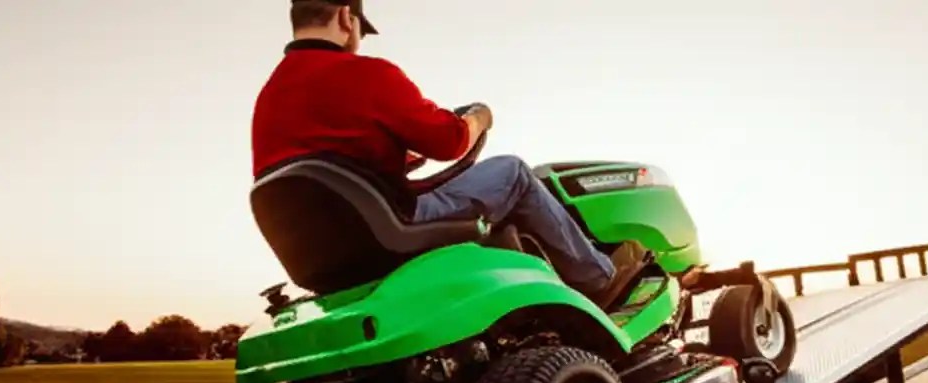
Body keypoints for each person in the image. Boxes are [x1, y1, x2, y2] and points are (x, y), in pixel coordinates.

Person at [251, 0, 650, 308]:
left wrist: (402, 156)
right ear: (344, 17)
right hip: (390, 229)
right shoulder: (367, 74)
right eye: (359, 27)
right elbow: (448, 141)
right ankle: (598, 279)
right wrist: (478, 118)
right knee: (512, 173)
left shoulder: (269, 98)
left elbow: (332, 167)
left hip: (323, 257)